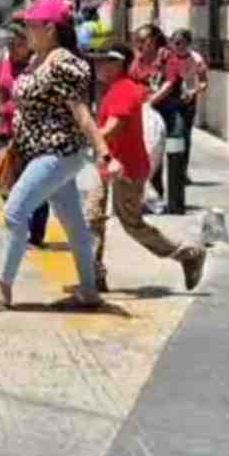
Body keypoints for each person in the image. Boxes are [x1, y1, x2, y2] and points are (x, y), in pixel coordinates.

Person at [0, 0, 107, 311]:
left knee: (15, 213)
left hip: (56, 153)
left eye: (30, 26)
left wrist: (104, 151)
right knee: (73, 225)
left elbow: (81, 111)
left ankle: (2, 288)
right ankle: (89, 289)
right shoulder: (36, 59)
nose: (25, 31)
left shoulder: (63, 64)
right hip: (43, 152)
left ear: (50, 29)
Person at [84, 43, 207, 293]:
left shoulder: (124, 91)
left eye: (104, 60)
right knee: (93, 217)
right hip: (109, 164)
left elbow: (112, 128)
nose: (97, 65)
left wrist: (84, 137)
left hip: (127, 169)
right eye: (96, 60)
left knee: (133, 225)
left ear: (119, 64)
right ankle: (93, 275)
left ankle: (188, 254)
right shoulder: (112, 89)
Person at [0, 19, 48, 246]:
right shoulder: (3, 62)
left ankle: (35, 231)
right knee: (2, 181)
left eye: (17, 44)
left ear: (28, 43)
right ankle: (22, 218)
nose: (12, 49)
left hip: (33, 134)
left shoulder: (41, 63)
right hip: (5, 132)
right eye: (9, 44)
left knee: (35, 183)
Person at [131, 25, 187, 203]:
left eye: (143, 40)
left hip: (168, 110)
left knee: (176, 146)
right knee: (151, 151)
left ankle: (176, 200)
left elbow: (170, 83)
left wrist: (152, 99)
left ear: (154, 40)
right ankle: (154, 195)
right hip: (147, 113)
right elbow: (131, 80)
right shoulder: (137, 60)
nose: (139, 44)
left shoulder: (166, 56)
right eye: (137, 40)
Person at [171, 28, 208, 184]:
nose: (178, 46)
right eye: (175, 43)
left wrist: (194, 92)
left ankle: (182, 170)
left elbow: (204, 81)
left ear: (188, 43)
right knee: (173, 135)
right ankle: (172, 170)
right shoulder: (168, 58)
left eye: (181, 43)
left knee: (185, 136)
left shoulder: (196, 59)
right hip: (170, 100)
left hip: (188, 101)